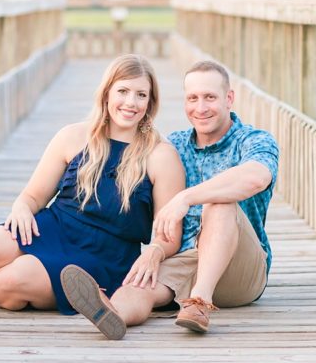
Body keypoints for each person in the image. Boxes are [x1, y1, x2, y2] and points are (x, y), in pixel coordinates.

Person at [0, 54, 185, 334]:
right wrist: (21, 208)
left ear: (151, 102)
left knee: (12, 281)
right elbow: (32, 196)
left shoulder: (160, 156)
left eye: (141, 94)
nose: (131, 102)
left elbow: (169, 233)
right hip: (53, 227)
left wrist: (156, 252)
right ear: (107, 93)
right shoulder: (72, 136)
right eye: (123, 91)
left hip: (106, 255)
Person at [62, 59, 279, 337]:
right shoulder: (172, 145)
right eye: (193, 98)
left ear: (229, 99)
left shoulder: (254, 140)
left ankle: (199, 302)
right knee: (139, 284)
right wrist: (152, 250)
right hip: (186, 258)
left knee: (219, 203)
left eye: (210, 98)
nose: (201, 108)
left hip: (241, 270)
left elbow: (255, 177)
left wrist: (186, 198)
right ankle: (111, 313)